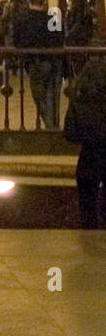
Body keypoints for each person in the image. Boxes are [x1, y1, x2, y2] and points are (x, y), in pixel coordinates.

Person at [12, 0, 65, 128]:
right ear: (45, 1)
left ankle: (50, 127)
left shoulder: (21, 19)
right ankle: (53, 127)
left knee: (39, 97)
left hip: (34, 63)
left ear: (28, 0)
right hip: (54, 62)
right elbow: (59, 41)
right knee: (53, 99)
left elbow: (17, 42)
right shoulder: (54, 17)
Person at [64, 59, 106, 227]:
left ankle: (90, 240)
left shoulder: (79, 100)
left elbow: (70, 133)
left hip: (89, 158)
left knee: (87, 205)